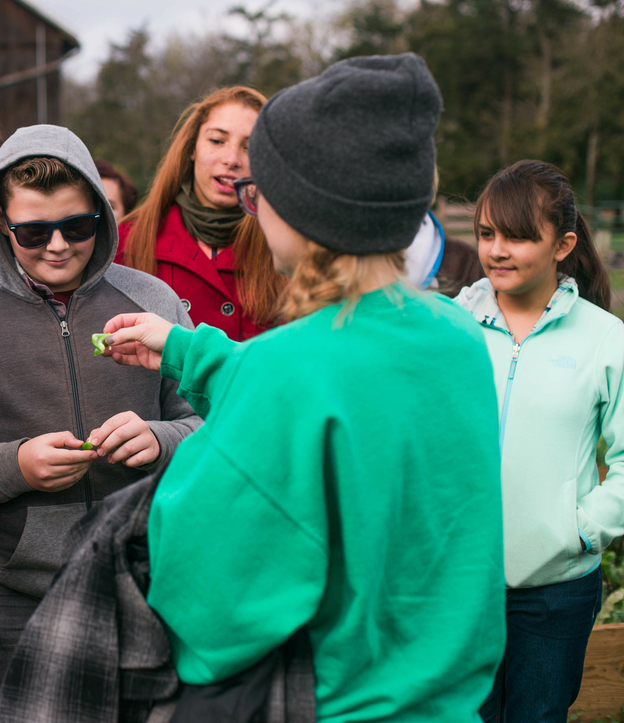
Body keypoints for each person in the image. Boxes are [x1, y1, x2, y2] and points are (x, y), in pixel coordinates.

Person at [103, 54, 506, 721]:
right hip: (456, 701)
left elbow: (211, 614)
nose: (252, 206)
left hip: (338, 703)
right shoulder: (458, 337)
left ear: (299, 207)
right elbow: (355, 400)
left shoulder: (288, 367)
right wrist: (187, 350)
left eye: (258, 191)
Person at [0, 124, 201, 704]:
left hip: (149, 580)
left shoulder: (153, 301)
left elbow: (212, 425)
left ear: (101, 218)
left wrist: (161, 440)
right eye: (34, 232)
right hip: (15, 594)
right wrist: (16, 465)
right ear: (1, 224)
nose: (58, 245)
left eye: (77, 226)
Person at [455, 160, 624, 723]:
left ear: (562, 244)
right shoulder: (452, 326)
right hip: (463, 585)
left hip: (555, 594)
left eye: (517, 236)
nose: (497, 251)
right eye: (487, 234)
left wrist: (582, 529)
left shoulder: (603, 338)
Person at [116, 86, 285, 341]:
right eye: (217, 141)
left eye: (250, 147)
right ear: (192, 148)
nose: (231, 159)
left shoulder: (288, 249)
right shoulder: (128, 242)